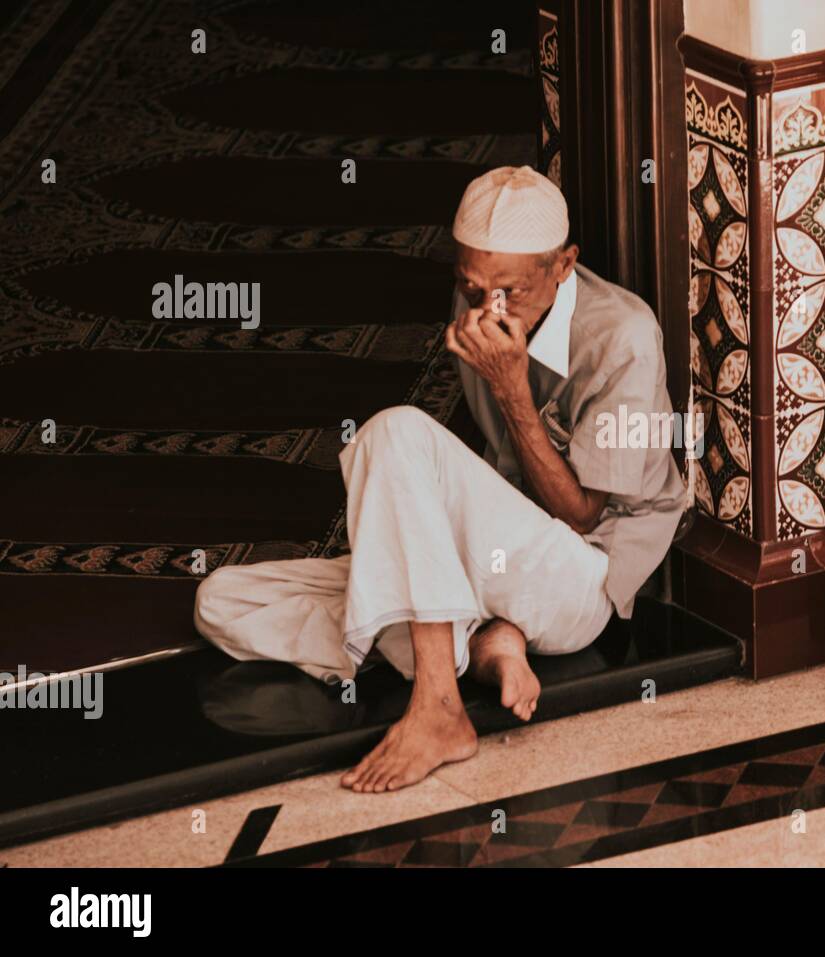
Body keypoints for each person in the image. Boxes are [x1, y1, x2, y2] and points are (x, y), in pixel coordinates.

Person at [194, 166, 688, 792]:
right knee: (222, 603)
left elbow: (583, 515)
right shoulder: (481, 300)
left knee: (396, 432)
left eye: (509, 290)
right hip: (498, 562)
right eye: (472, 286)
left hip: (579, 578)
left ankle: (439, 704)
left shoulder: (625, 338)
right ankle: (486, 645)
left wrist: (512, 391)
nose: (488, 308)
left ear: (563, 265)